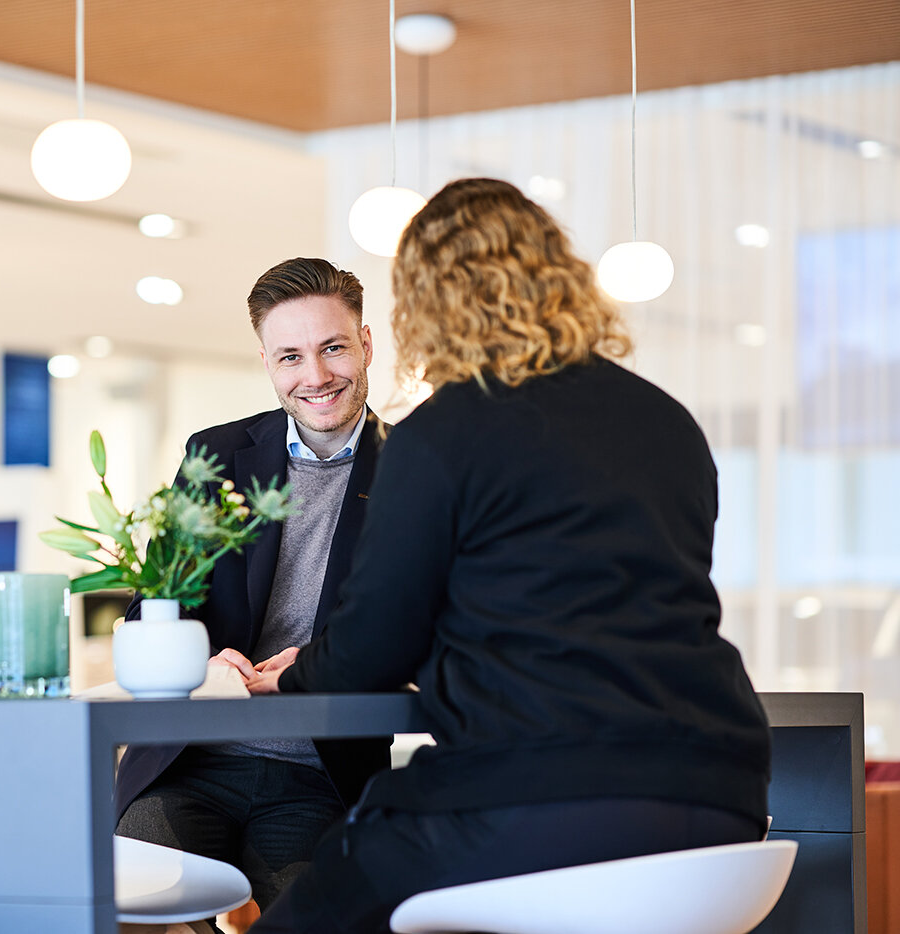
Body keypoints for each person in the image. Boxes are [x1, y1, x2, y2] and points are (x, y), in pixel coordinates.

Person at [243, 178, 772, 933]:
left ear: (424, 303)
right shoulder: (668, 422)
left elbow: (371, 649)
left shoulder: (440, 436)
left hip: (541, 797)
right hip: (723, 799)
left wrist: (306, 666)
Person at [114, 257, 392, 913]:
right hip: (190, 761)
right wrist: (200, 661)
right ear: (267, 362)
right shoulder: (215, 458)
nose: (316, 376)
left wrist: (320, 665)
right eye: (290, 356)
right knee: (120, 902)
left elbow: (420, 629)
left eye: (333, 348)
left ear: (367, 343)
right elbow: (151, 609)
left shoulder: (415, 471)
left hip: (319, 773)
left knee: (307, 914)